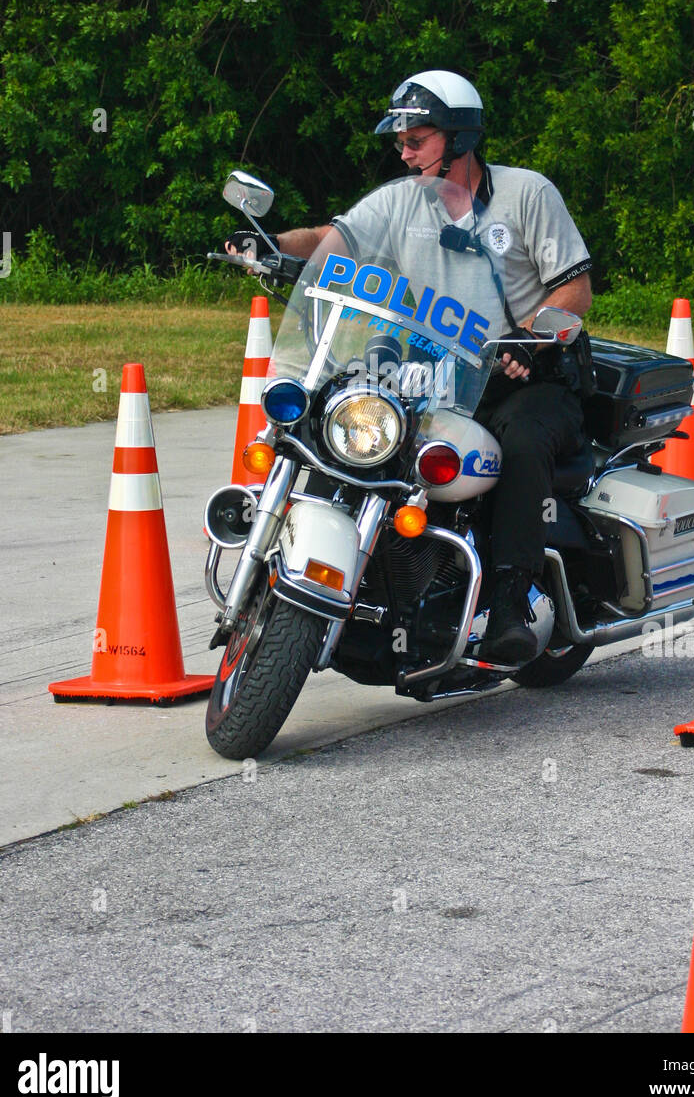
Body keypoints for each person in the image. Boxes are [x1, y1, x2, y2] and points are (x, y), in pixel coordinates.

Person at [227, 69, 593, 663]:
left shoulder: (528, 194)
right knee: (353, 423)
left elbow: (574, 291)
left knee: (520, 446)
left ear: (458, 138)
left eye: (416, 139)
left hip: (526, 375)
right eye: (400, 141)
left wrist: (530, 339)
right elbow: (332, 239)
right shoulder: (400, 201)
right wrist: (270, 248)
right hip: (438, 374)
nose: (404, 152)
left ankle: (509, 600)